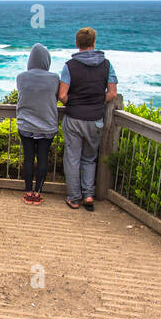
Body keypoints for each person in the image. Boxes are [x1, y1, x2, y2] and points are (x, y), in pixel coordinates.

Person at [57, 27, 118, 212]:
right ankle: (89, 195)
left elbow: (62, 95)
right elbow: (112, 93)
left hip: (74, 117)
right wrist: (97, 101)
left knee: (72, 158)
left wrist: (76, 102)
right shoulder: (107, 65)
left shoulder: (70, 66)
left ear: (77, 43)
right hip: (96, 119)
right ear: (94, 43)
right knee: (89, 159)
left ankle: (74, 198)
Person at [15, 43, 60, 205]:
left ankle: (28, 191)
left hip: (25, 124)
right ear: (46, 60)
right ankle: (38, 193)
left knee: (28, 158)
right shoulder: (54, 78)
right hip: (47, 124)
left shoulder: (21, 77)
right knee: (42, 159)